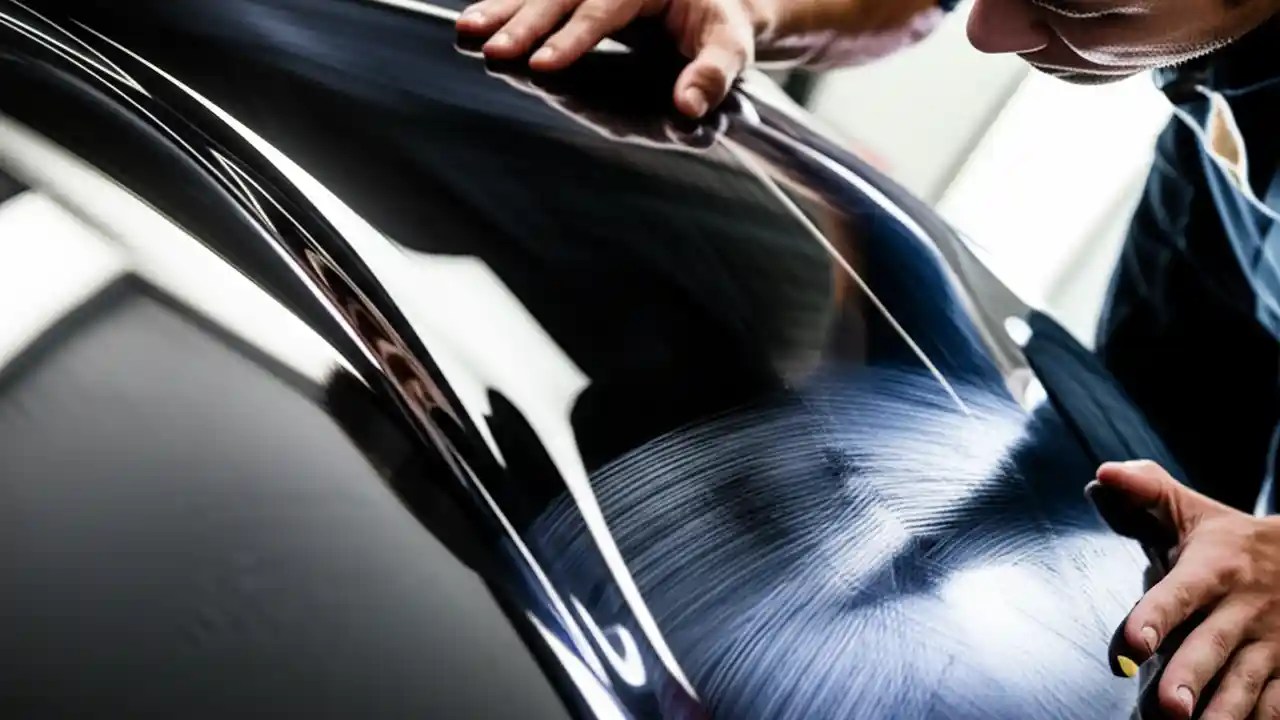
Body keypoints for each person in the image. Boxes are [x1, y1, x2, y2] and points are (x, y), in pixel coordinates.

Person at [455, 0, 1280, 717]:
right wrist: (750, 8)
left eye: (1077, 5)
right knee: (1142, 529)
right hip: (1219, 202)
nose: (986, 32)